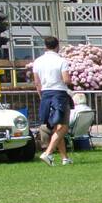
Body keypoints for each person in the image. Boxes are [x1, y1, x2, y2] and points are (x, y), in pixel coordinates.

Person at [32, 37, 73, 166]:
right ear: (57, 46)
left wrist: (41, 96)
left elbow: (37, 82)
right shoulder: (61, 61)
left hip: (45, 94)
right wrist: (71, 84)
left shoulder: (37, 61)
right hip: (59, 94)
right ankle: (48, 153)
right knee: (64, 126)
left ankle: (64, 158)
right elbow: (66, 79)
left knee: (56, 127)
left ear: (45, 46)